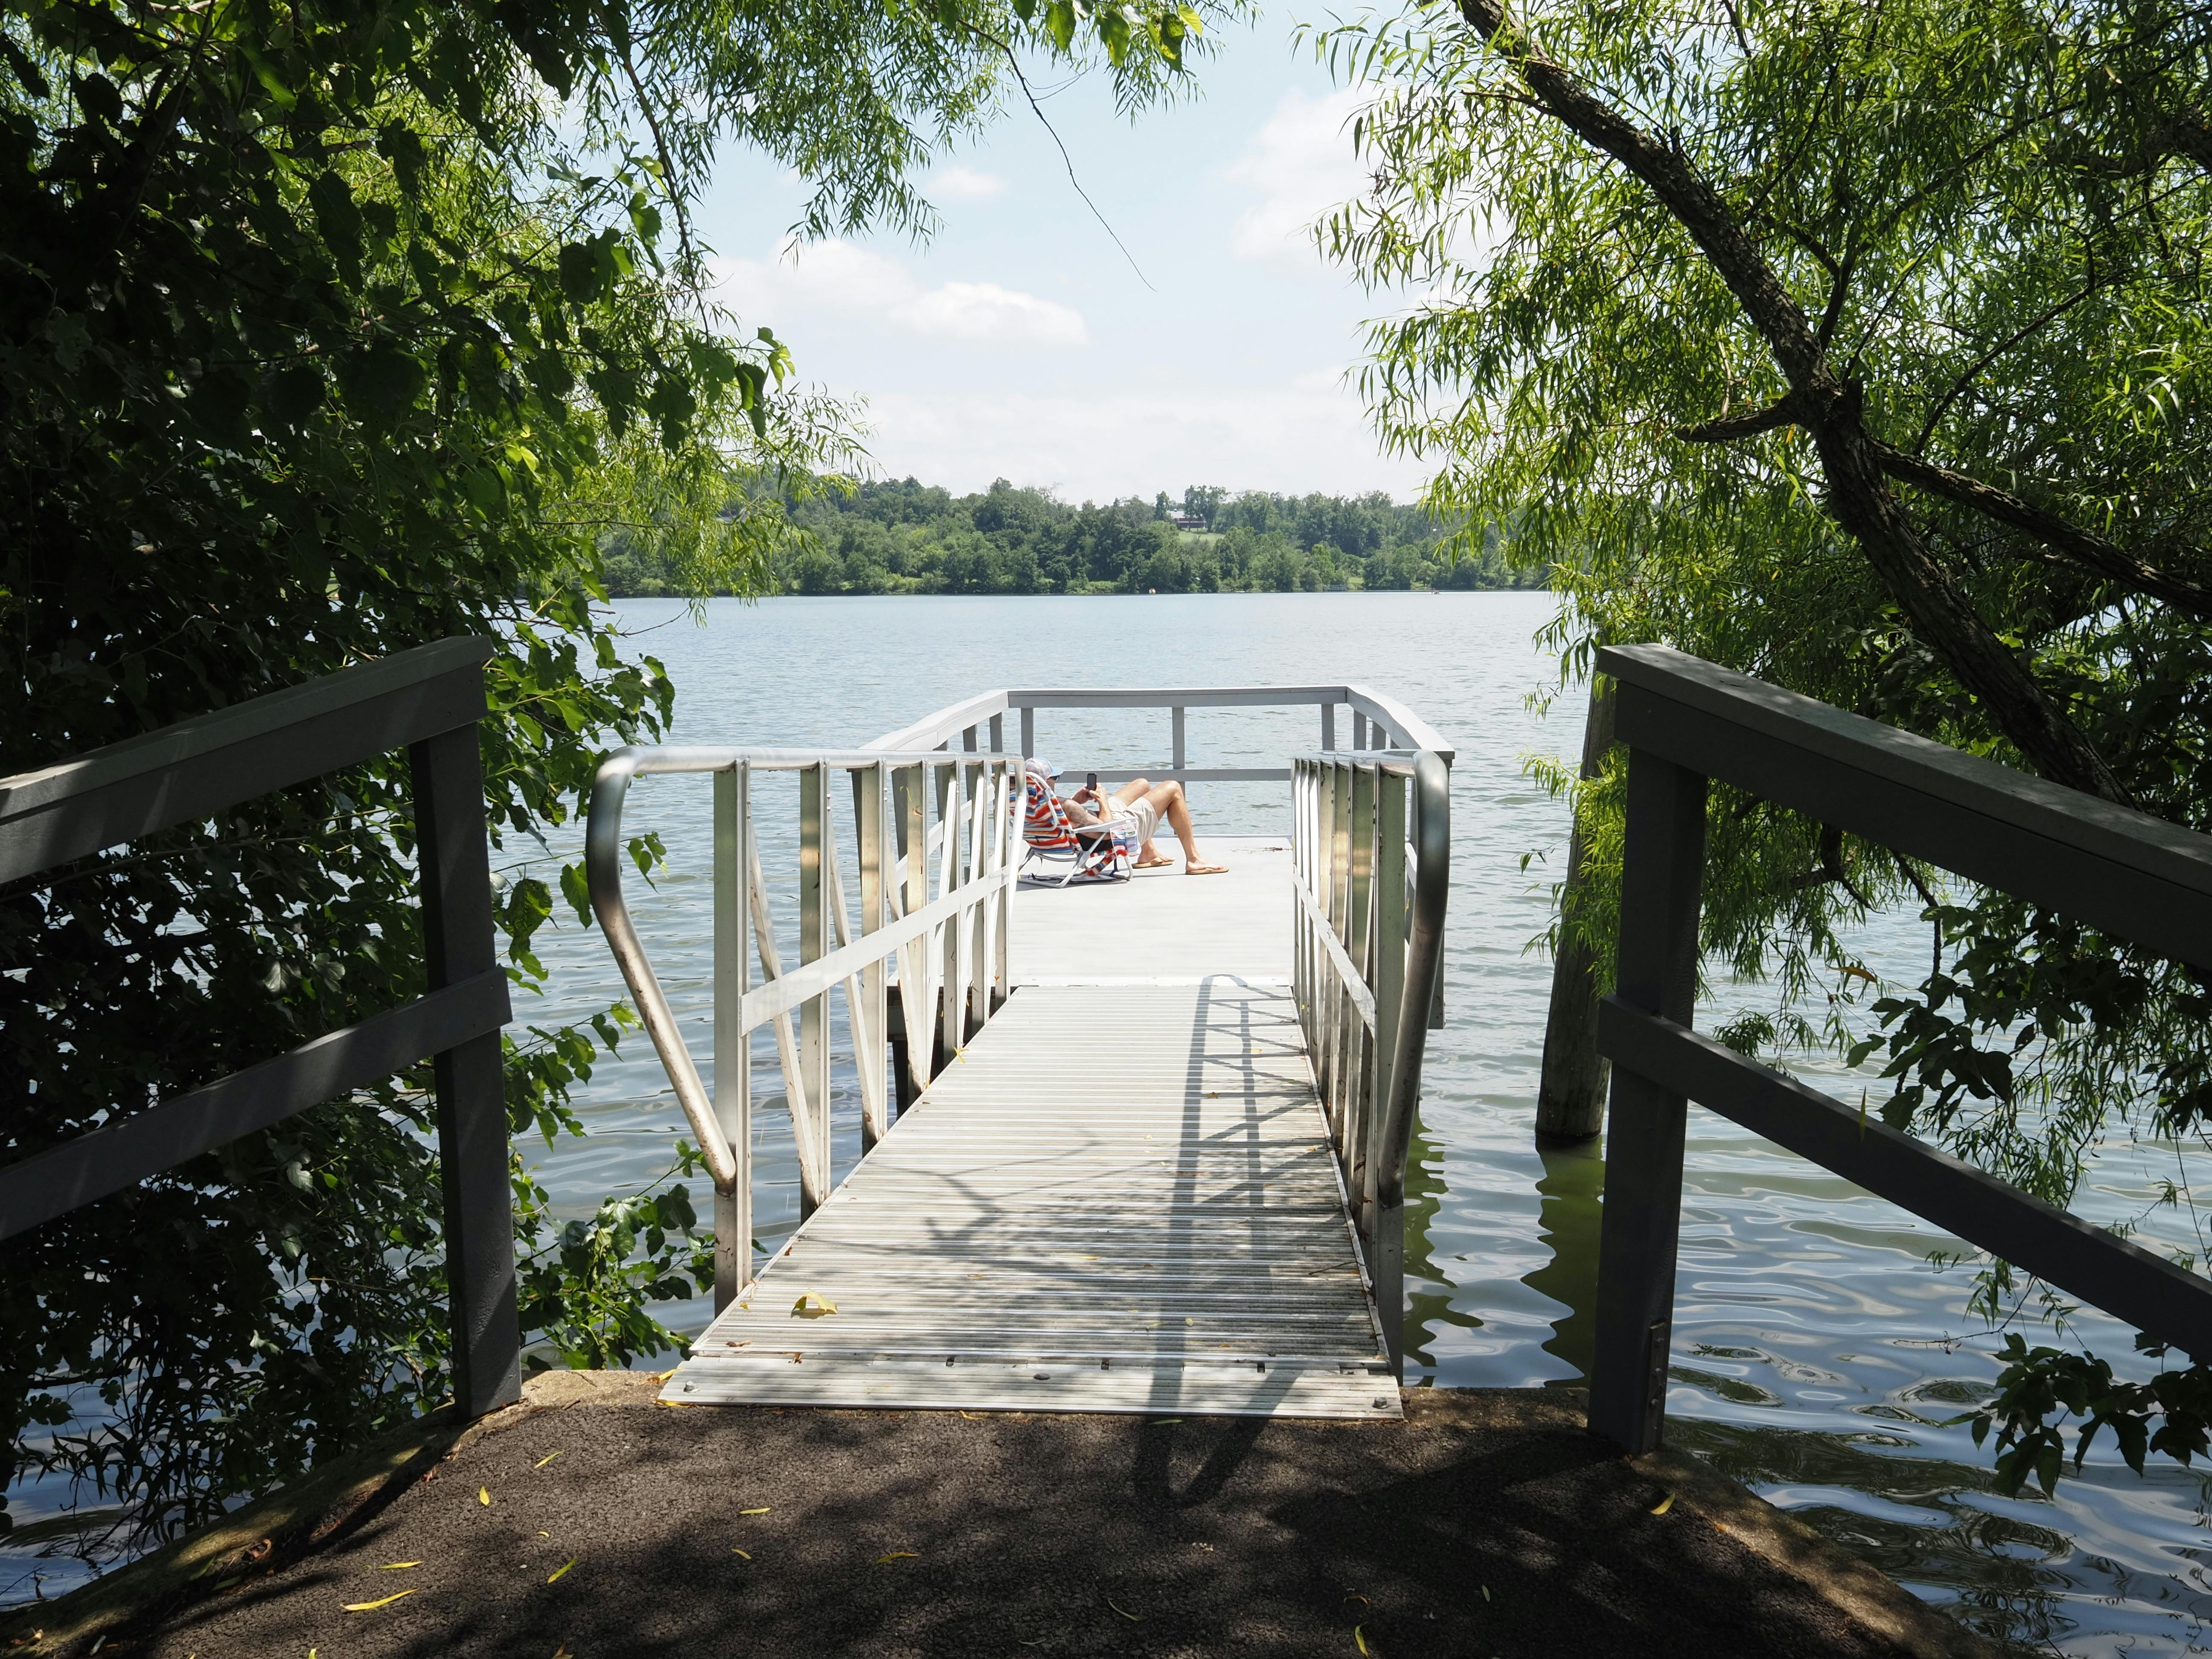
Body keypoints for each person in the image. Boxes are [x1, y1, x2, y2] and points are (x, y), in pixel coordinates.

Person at [1031, 759, 1227, 875]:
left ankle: (1148, 853)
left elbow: (1065, 817)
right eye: (1054, 778)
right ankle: (1194, 859)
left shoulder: (1031, 805)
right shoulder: (1066, 807)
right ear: (1046, 781)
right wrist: (1103, 801)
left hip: (1089, 827)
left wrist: (1077, 801)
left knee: (1141, 784)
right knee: (1173, 788)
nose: (1055, 781)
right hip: (1112, 834)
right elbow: (1107, 830)